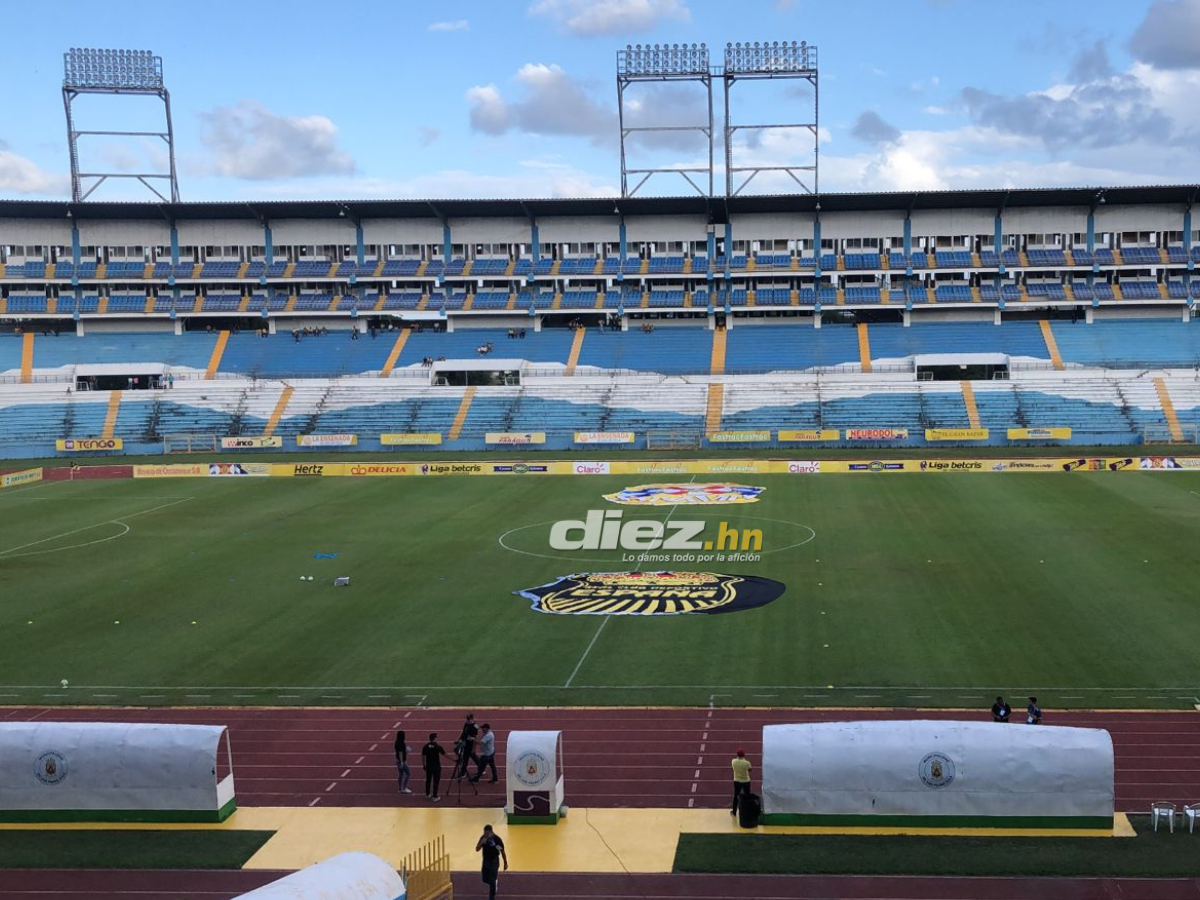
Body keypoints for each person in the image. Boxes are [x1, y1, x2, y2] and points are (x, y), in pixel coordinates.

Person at [476, 824, 508, 900]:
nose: (485, 834)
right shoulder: (483, 838)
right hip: (486, 861)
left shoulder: (496, 840)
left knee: (492, 880)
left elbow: (502, 851)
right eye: (484, 833)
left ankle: (492, 896)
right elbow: (477, 849)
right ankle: (493, 883)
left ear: (491, 832)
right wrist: (481, 843)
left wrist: (505, 863)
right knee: (485, 878)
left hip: (494, 861)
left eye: (486, 833)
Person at [421, 732, 447, 801]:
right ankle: (435, 796)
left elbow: (423, 756)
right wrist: (454, 760)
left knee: (428, 780)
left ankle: (427, 794)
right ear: (435, 738)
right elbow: (445, 755)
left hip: (429, 766)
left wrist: (424, 765)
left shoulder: (425, 746)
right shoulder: (438, 747)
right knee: (436, 781)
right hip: (436, 767)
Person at [730, 748, 752, 815]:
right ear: (744, 755)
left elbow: (733, 768)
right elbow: (750, 769)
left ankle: (734, 811)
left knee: (736, 796)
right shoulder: (747, 763)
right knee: (747, 797)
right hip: (746, 781)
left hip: (737, 781)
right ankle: (748, 811)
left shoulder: (733, 761)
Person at [394, 729, 412, 794]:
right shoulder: (401, 743)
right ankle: (404, 788)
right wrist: (402, 762)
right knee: (408, 773)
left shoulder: (396, 742)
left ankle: (400, 788)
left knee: (401, 774)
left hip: (397, 759)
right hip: (402, 761)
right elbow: (400, 753)